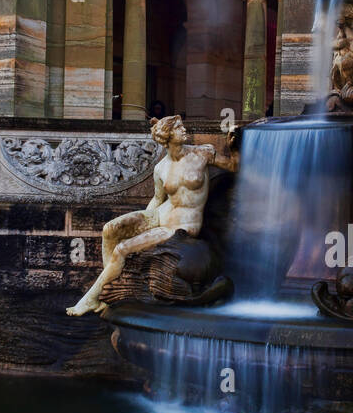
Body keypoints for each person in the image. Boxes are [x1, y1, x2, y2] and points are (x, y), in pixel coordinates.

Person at [66, 115, 238, 316]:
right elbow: (157, 200)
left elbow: (233, 167)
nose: (184, 130)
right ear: (167, 135)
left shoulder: (202, 153)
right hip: (161, 214)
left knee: (122, 249)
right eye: (178, 127)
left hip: (182, 226)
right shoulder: (161, 168)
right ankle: (112, 285)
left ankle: (92, 299)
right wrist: (146, 222)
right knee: (110, 230)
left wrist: (233, 147)